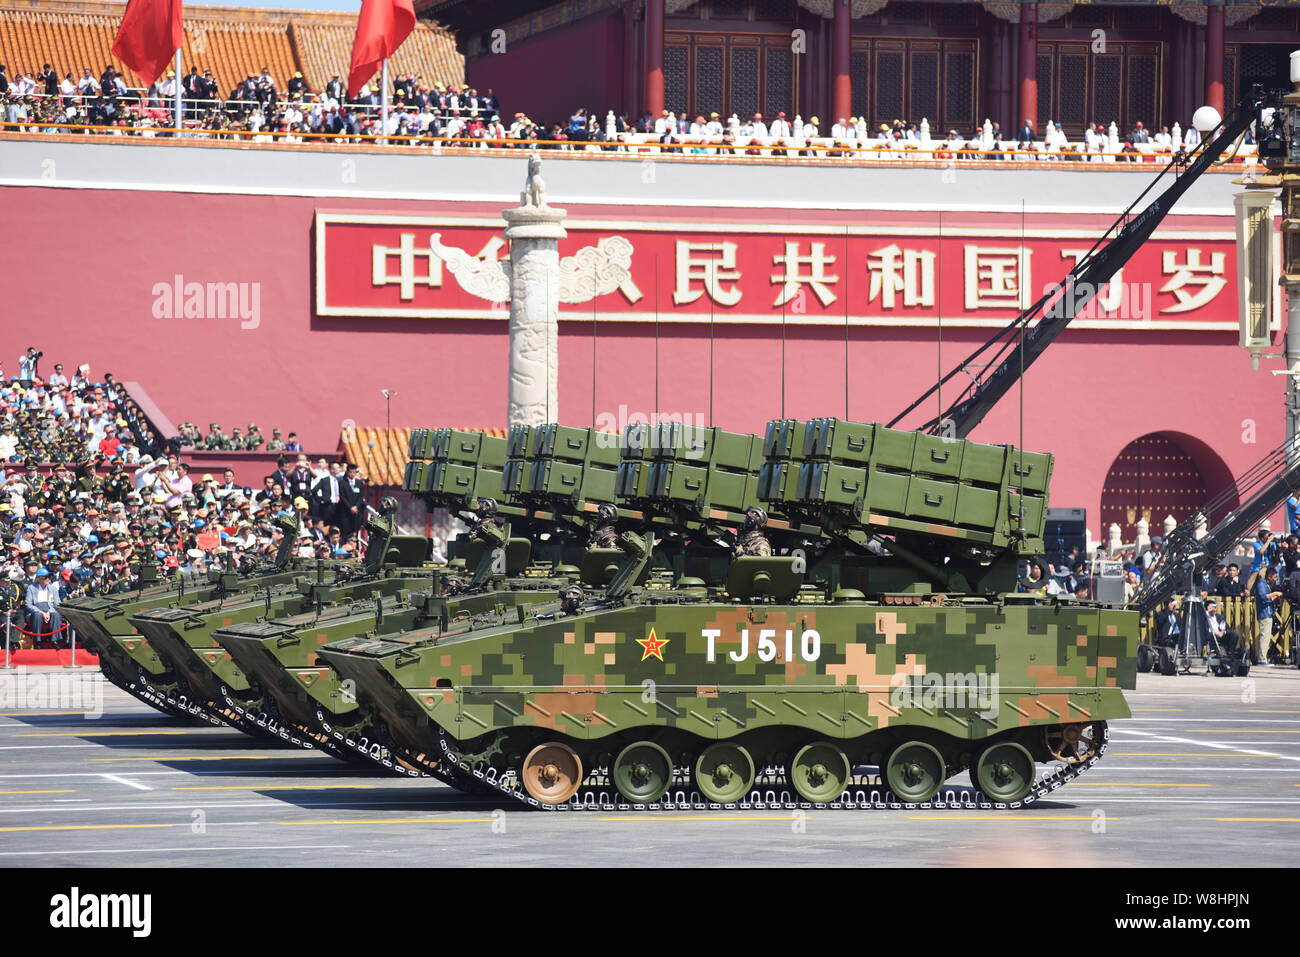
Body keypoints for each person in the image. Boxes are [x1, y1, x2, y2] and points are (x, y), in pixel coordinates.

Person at [25, 566, 63, 647]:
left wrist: (49, 612)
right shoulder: (31, 588)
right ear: (39, 579)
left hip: (49, 608)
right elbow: (28, 604)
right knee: (37, 615)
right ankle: (37, 641)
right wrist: (41, 612)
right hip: (36, 610)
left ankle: (55, 640)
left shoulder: (53, 588)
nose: (48, 579)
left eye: (49, 577)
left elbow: (57, 603)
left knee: (56, 615)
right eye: (46, 577)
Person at [1254, 568, 1283, 663]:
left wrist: (1274, 599)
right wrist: (1274, 594)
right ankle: (1262, 659)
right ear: (1269, 576)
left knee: (1266, 637)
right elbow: (1262, 596)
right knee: (1264, 637)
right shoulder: (1261, 584)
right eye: (1274, 577)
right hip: (1264, 613)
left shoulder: (1265, 584)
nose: (1275, 579)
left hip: (1268, 612)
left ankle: (1263, 657)